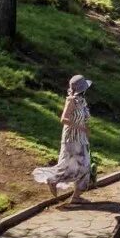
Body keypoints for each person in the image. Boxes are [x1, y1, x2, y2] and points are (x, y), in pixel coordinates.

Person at [32, 75, 93, 206]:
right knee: (68, 166)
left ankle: (76, 196)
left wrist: (85, 132)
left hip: (80, 138)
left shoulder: (82, 101)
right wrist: (81, 128)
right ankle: (52, 179)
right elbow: (64, 119)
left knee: (85, 166)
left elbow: (84, 119)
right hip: (71, 138)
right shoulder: (71, 100)